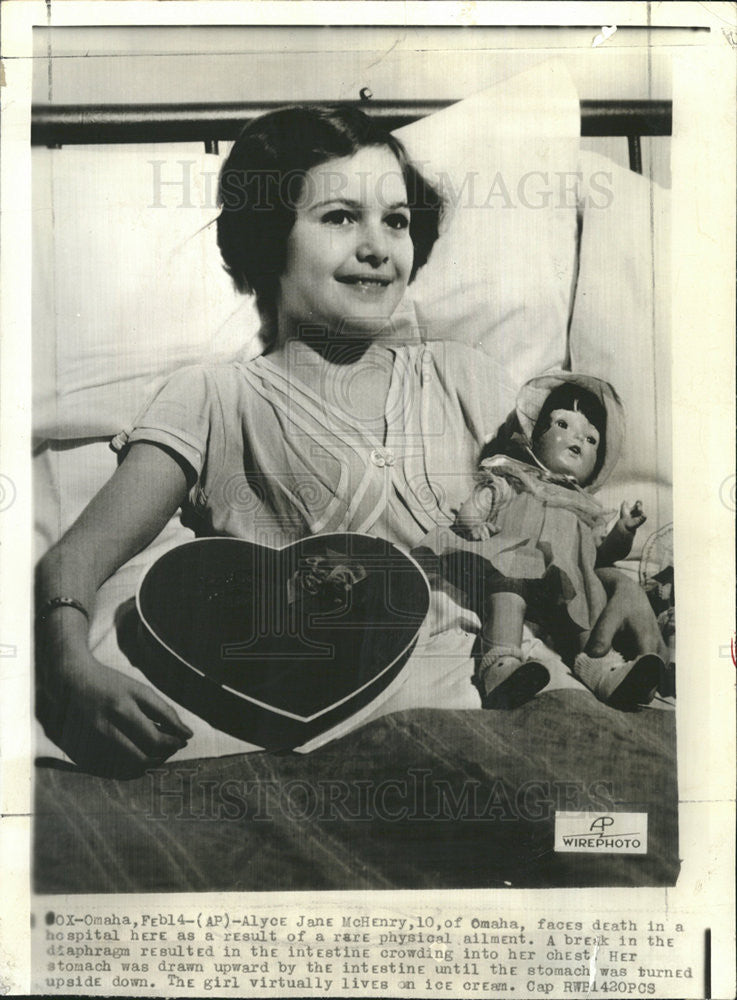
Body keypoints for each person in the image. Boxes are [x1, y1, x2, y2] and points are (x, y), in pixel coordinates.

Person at [35, 105, 667, 776]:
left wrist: (611, 583)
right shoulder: (215, 398)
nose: (378, 247)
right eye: (340, 217)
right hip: (355, 735)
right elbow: (71, 563)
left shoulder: (466, 376)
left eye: (395, 221)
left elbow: (543, 515)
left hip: (534, 700)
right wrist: (71, 671)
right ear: (269, 235)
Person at [419, 372, 663, 711]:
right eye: (563, 425)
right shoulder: (515, 478)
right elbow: (479, 502)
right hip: (511, 561)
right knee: (506, 594)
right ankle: (499, 665)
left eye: (592, 440)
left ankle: (604, 671)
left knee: (581, 609)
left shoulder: (585, 508)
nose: (578, 439)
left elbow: (601, 556)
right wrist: (472, 524)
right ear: (533, 438)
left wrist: (624, 530)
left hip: (564, 581)